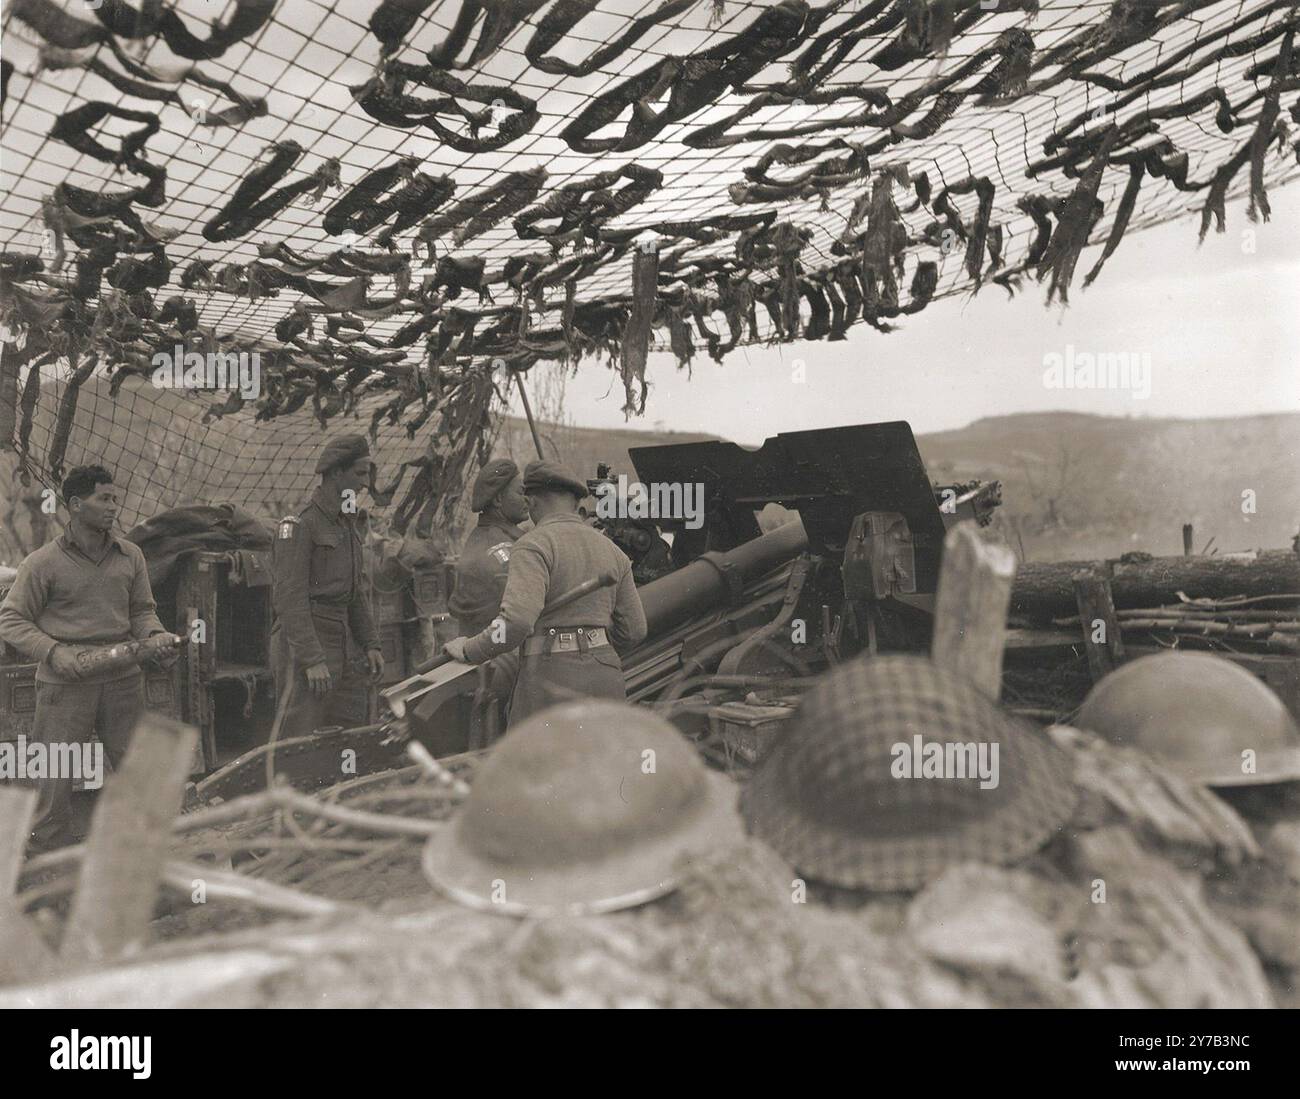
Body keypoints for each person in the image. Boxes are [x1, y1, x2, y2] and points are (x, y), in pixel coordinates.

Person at [0, 465, 175, 851]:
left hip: (123, 680)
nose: (114, 506)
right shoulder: (42, 563)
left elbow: (142, 611)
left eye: (115, 498)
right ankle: (47, 870)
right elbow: (10, 619)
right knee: (53, 780)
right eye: (104, 498)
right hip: (65, 684)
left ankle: (143, 864)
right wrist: (53, 652)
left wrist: (155, 635)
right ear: (76, 505)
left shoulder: (131, 555)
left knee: (137, 774)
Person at [442, 460, 647, 726]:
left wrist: (470, 650)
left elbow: (516, 622)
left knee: (541, 766)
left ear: (534, 503)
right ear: (575, 503)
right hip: (606, 678)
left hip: (552, 682)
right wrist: (594, 649)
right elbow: (635, 629)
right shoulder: (613, 551)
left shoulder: (533, 546)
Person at [271, 433, 384, 737]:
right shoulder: (300, 526)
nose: (365, 483)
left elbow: (355, 591)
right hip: (310, 643)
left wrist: (370, 643)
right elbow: (289, 599)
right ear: (336, 473)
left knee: (350, 735)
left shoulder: (347, 525)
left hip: (345, 643)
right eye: (359, 473)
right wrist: (312, 660)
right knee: (300, 738)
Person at [447, 458, 529, 742]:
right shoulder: (504, 552)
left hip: (483, 665)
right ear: (497, 501)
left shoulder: (483, 538)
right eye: (520, 491)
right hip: (499, 671)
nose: (527, 498)